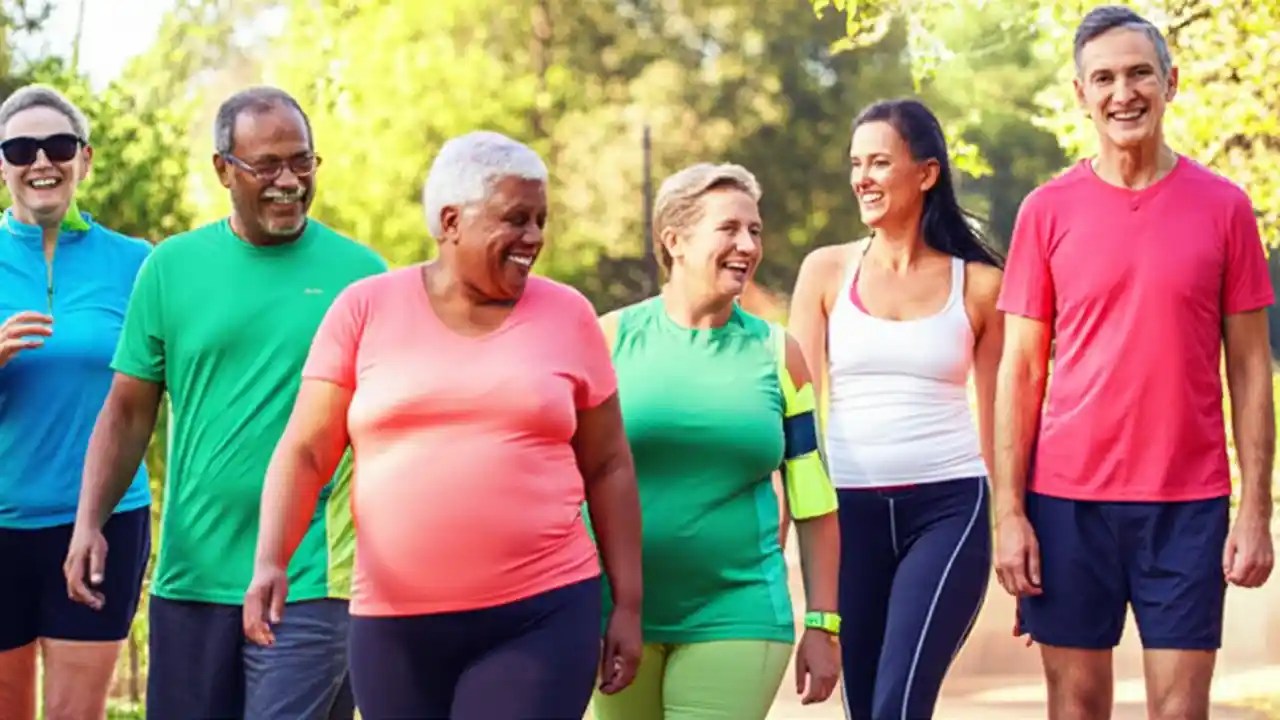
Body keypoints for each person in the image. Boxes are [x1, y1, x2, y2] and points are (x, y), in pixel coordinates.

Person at [243, 130, 644, 720]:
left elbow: (608, 463)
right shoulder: (365, 308)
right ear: (451, 221)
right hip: (393, 625)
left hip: (540, 613)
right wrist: (271, 559)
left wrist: (628, 603)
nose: (533, 238)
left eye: (540, 219)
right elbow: (306, 451)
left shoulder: (568, 314)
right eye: (516, 219)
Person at [63, 86, 387, 719]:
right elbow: (129, 411)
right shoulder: (170, 269)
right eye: (267, 166)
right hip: (193, 575)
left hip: (313, 579)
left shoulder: (363, 277)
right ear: (222, 169)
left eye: (302, 162)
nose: (289, 181)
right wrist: (88, 521)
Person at [993, 6, 1275, 719]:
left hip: (1188, 503)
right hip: (1067, 502)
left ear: (1171, 82)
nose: (1124, 92)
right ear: (1082, 94)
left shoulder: (1226, 208)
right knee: (1077, 705)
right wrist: (1010, 512)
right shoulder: (1045, 211)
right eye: (1106, 78)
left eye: (1139, 73)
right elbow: (1020, 371)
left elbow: (1248, 367)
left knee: (1181, 710)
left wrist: (1256, 509)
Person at [590, 163, 843, 720]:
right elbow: (566, 479)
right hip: (615, 615)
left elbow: (813, 497)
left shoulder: (780, 354)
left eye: (754, 230)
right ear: (674, 241)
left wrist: (823, 622)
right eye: (728, 229)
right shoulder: (607, 340)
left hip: (739, 609)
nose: (747, 245)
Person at [789, 98, 1004, 719]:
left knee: (898, 706)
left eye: (880, 162)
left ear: (926, 173)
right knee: (868, 709)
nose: (862, 177)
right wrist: (786, 521)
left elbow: (999, 419)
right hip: (847, 515)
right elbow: (797, 416)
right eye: (857, 163)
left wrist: (1018, 523)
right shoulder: (825, 271)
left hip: (948, 509)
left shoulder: (982, 284)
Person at [0, 85, 151, 720]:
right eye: (21, 148)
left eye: (59, 145)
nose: (42, 161)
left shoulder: (139, 263)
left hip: (103, 523)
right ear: (1, 164)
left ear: (84, 160)